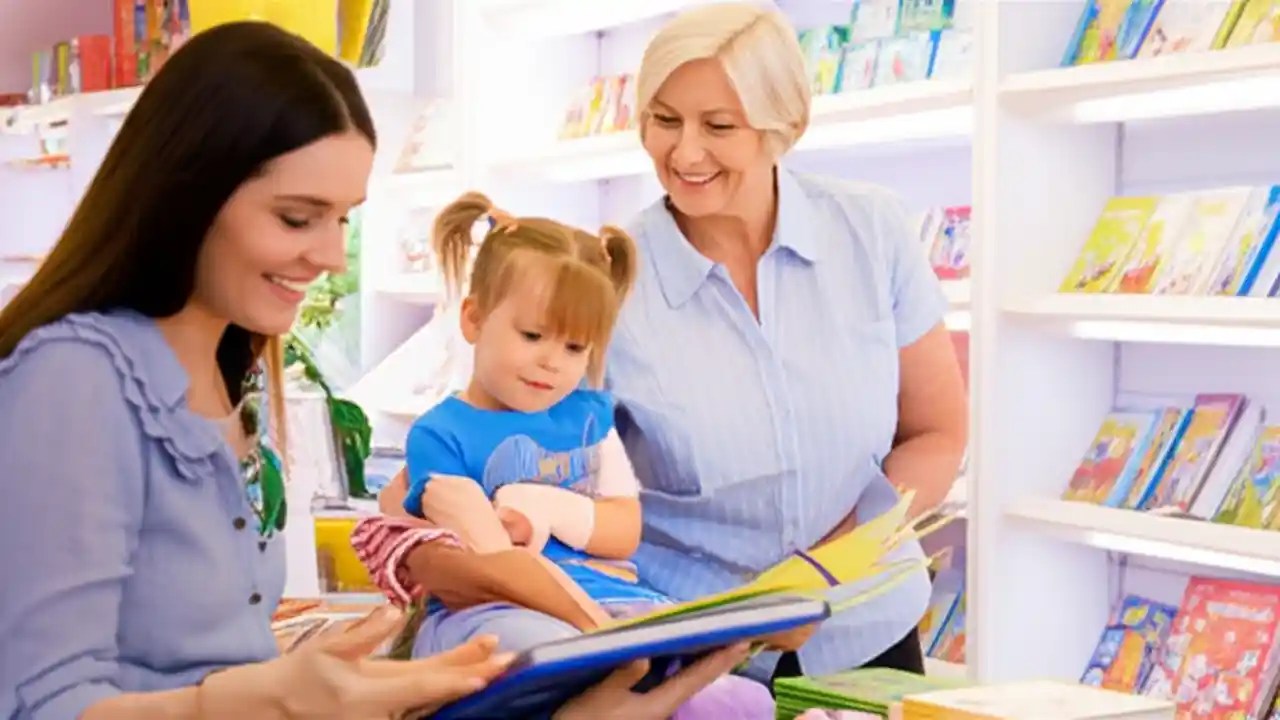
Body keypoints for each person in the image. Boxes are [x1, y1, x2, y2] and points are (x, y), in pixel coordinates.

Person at [0, 20, 747, 720]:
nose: (329, 257)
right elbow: (46, 704)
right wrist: (273, 699)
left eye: (343, 218)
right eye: (297, 217)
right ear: (187, 192)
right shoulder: (77, 379)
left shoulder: (228, 380)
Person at [605, 2, 969, 684]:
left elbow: (937, 433)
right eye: (663, 120)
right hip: (691, 668)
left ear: (786, 127)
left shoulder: (872, 232)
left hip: (869, 637)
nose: (684, 153)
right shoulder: (608, 280)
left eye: (718, 126)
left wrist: (825, 572)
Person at [390, 192, 775, 717]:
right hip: (491, 612)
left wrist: (550, 510)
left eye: (575, 348)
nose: (551, 363)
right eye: (532, 336)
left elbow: (623, 531)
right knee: (544, 649)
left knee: (739, 697)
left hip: (609, 603)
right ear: (474, 319)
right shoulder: (440, 434)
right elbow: (481, 561)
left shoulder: (588, 416)